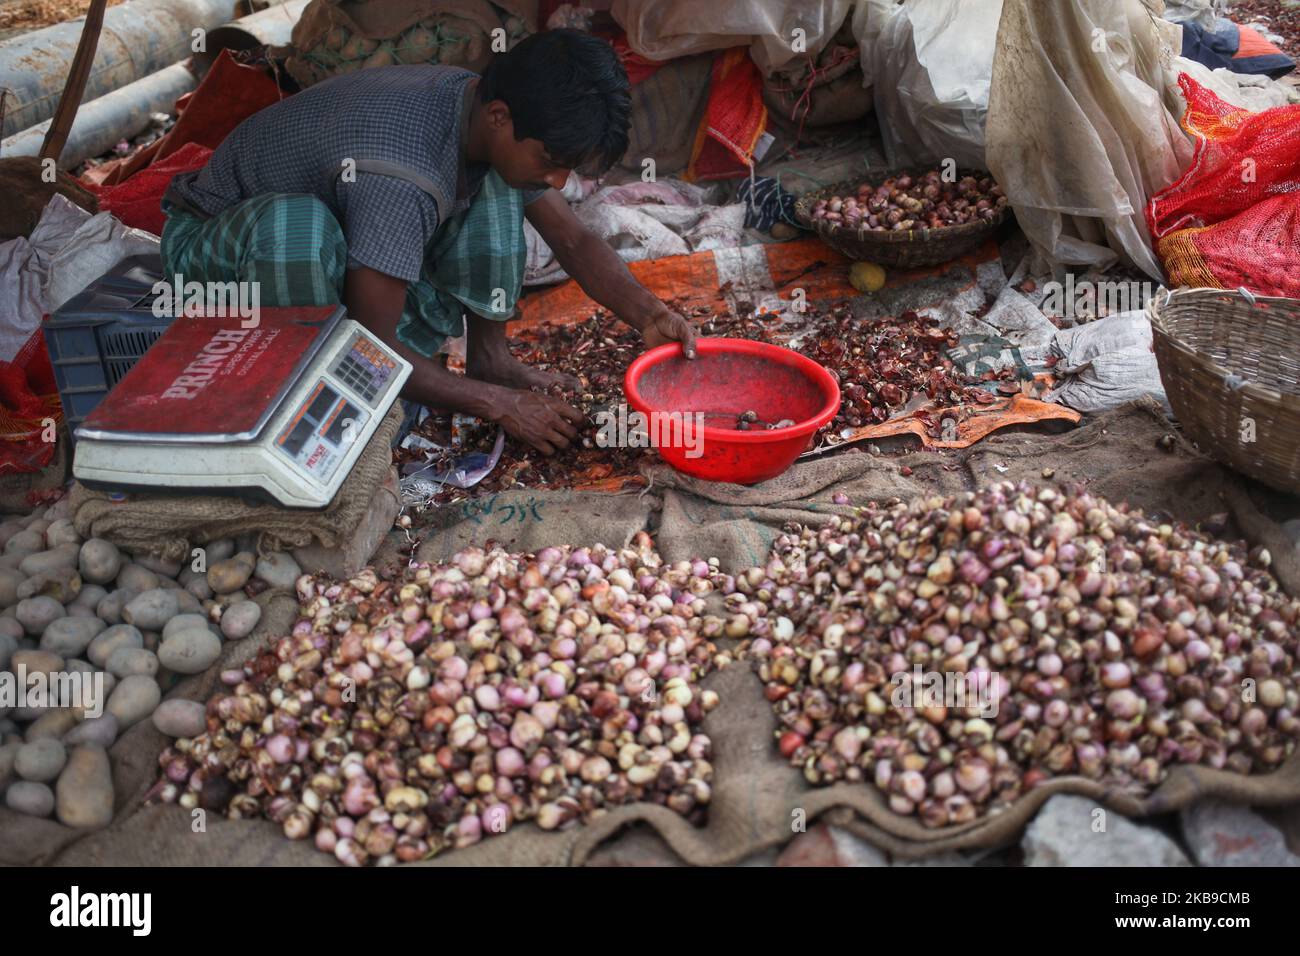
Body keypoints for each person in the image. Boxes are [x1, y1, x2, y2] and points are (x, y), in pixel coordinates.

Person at [159, 29, 697, 455]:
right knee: (300, 233)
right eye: (553, 162)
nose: (560, 181)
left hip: (339, 225)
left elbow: (574, 239)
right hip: (219, 251)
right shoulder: (402, 176)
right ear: (500, 117)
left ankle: (491, 357)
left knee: (505, 182)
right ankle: (307, 401)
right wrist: (497, 405)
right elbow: (369, 347)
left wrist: (650, 315)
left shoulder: (476, 106)